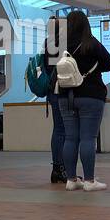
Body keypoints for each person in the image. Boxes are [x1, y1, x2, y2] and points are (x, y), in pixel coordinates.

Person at [57, 10, 110, 191]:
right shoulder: (91, 43)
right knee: (88, 138)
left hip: (65, 95)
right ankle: (90, 181)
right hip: (91, 95)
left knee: (70, 138)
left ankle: (71, 179)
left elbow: (50, 67)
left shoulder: (58, 45)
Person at [44, 16, 67, 184]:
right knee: (63, 130)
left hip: (52, 91)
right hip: (62, 90)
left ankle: (57, 168)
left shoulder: (47, 43)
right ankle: (61, 168)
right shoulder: (63, 43)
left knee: (58, 129)